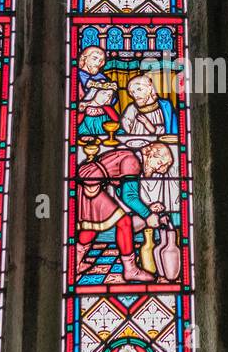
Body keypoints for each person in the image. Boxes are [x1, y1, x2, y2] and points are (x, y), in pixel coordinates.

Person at [75, 142, 174, 281]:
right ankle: (131, 270)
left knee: (92, 227)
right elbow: (129, 196)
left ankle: (75, 263)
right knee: (124, 222)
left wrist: (146, 209)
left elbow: (122, 191)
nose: (160, 168)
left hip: (88, 184)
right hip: (92, 185)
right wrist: (148, 215)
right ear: (151, 155)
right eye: (160, 163)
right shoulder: (132, 162)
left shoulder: (131, 158)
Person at [119, 73, 178, 144]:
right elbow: (124, 127)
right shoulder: (132, 108)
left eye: (139, 89)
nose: (136, 95)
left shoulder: (165, 106)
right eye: (132, 92)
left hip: (159, 145)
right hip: (136, 144)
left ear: (150, 88)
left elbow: (171, 130)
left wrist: (148, 125)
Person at [77, 45, 119, 138]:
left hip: (102, 115)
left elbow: (112, 99)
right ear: (85, 58)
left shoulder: (101, 76)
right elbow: (88, 84)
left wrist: (111, 90)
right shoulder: (77, 74)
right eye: (95, 58)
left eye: (100, 60)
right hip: (85, 116)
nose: (98, 63)